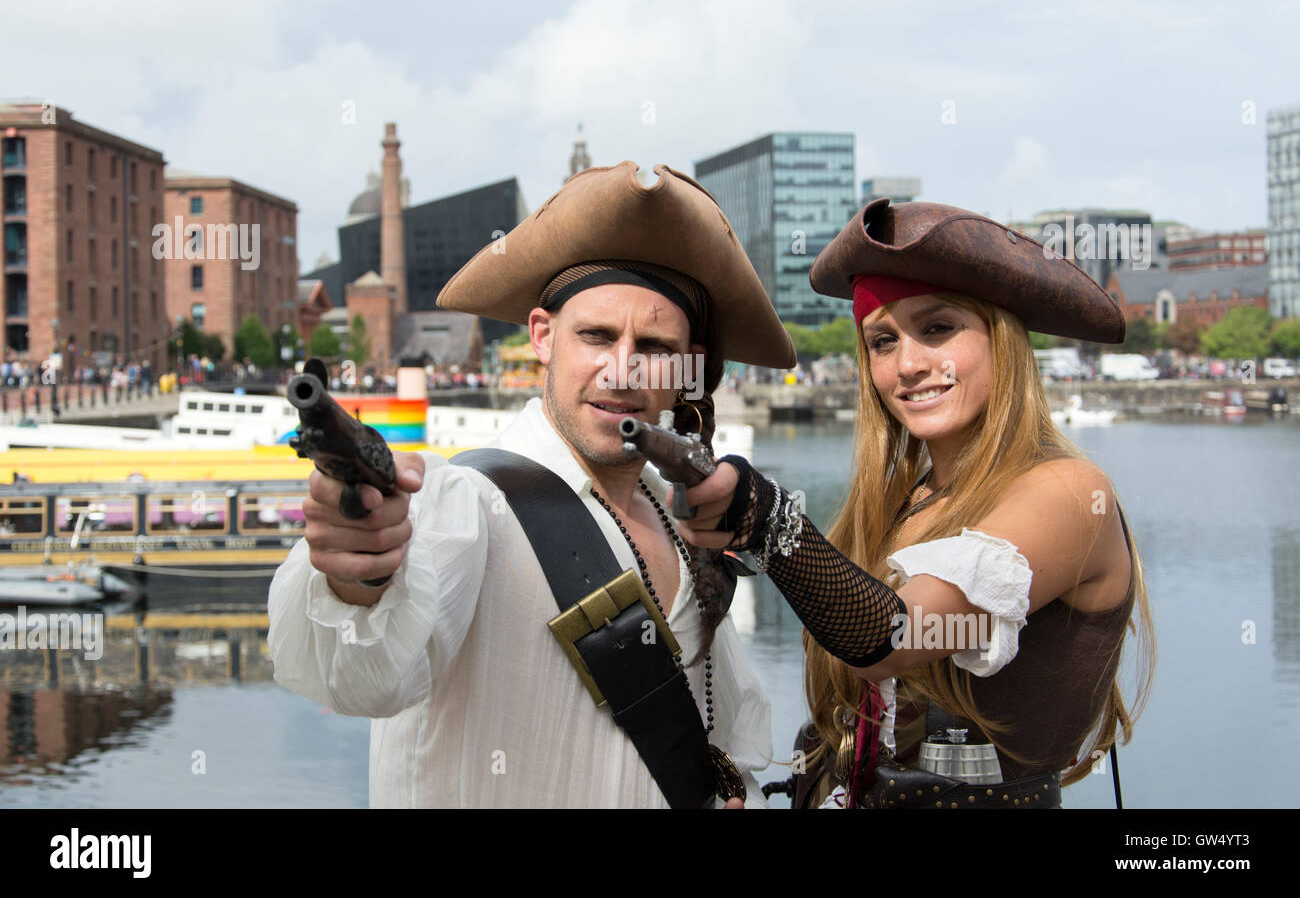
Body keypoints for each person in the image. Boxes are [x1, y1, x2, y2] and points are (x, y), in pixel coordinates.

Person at [268, 161, 796, 807]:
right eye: (596, 335)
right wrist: (358, 576)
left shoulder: (679, 524)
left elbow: (724, 733)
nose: (621, 370)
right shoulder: (463, 503)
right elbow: (360, 677)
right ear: (543, 337)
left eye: (655, 346)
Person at [679, 197, 1156, 808]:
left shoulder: (1070, 490)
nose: (908, 365)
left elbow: (898, 634)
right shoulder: (902, 503)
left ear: (1002, 339)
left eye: (937, 328)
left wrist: (769, 524)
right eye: (882, 341)